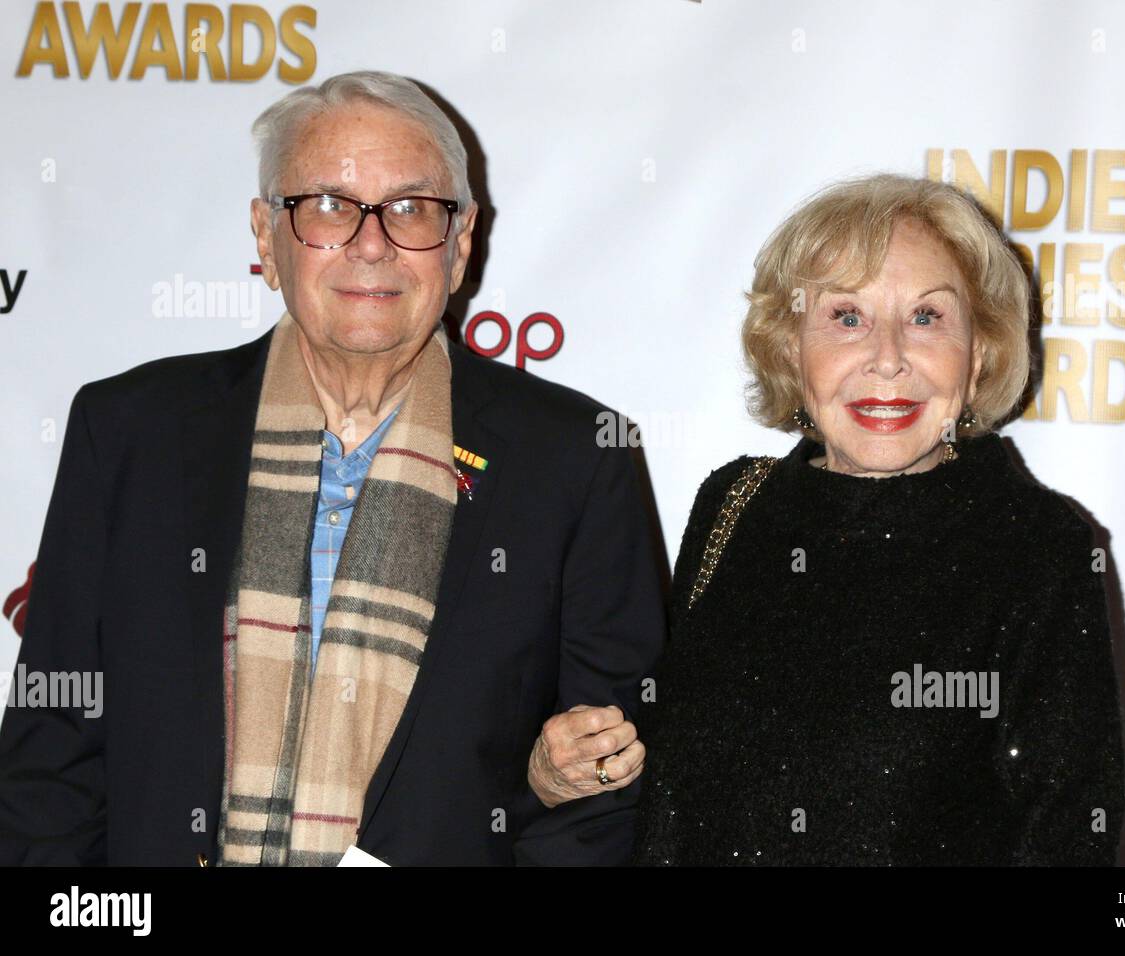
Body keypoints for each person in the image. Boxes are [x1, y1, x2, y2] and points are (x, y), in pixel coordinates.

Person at [0, 70, 662, 866]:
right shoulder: (132, 433)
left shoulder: (578, 457)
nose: (371, 242)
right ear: (264, 237)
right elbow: (53, 758)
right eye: (326, 207)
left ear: (461, 244)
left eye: (413, 208)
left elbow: (605, 790)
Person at [541, 173, 1125, 864]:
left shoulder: (1037, 550)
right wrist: (571, 769)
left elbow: (1069, 840)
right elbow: (675, 776)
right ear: (792, 349)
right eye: (847, 317)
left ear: (981, 356)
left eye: (927, 318)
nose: (886, 358)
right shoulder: (737, 503)